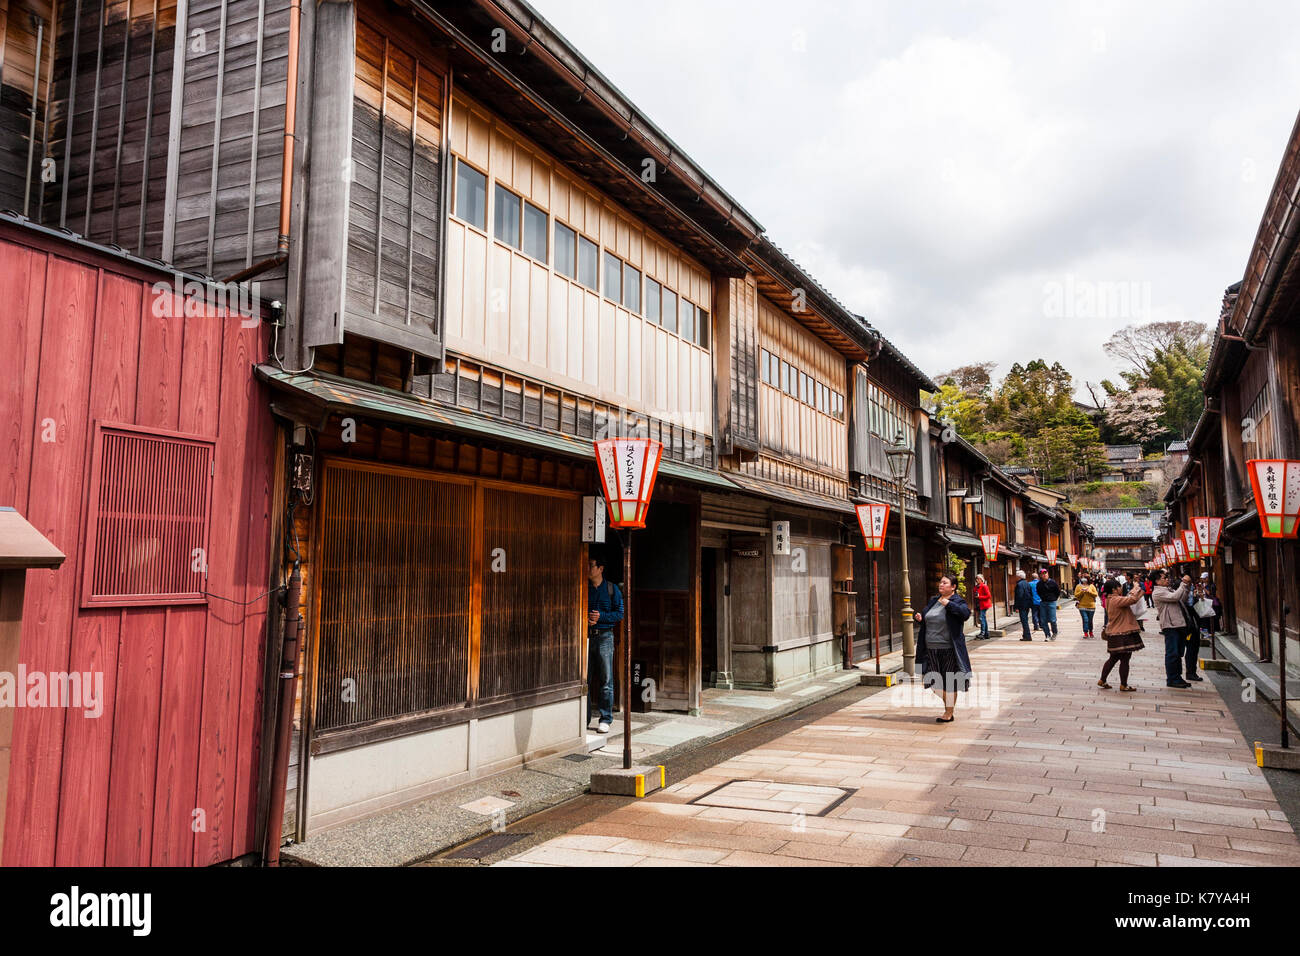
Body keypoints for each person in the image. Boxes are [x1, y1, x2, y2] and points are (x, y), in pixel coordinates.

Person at [912, 573, 973, 723]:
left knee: (949, 681)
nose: (941, 585)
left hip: (948, 649)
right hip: (930, 648)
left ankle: (948, 712)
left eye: (945, 583)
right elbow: (930, 619)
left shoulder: (957, 601)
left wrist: (949, 604)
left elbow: (965, 614)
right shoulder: (933, 600)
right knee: (932, 681)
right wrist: (921, 619)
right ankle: (949, 708)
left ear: (953, 587)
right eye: (941, 582)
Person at [587, 555, 624, 733]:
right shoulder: (583, 587)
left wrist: (601, 617)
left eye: (591, 565)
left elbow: (619, 614)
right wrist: (586, 618)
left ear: (600, 569)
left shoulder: (611, 588)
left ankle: (605, 718)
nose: (588, 568)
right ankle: (584, 718)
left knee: (606, 679)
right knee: (584, 679)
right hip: (586, 635)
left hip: (605, 636)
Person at [1098, 578, 1144, 691]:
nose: (1121, 589)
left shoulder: (1109, 599)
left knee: (1113, 658)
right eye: (1119, 587)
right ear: (1114, 589)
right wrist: (1136, 588)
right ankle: (1123, 684)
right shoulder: (1115, 599)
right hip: (1122, 633)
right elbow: (1132, 599)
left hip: (1115, 633)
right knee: (1124, 659)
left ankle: (1103, 680)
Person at [1152, 569, 1194, 689]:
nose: (1167, 579)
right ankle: (1172, 678)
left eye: (1166, 577)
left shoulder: (1168, 589)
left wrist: (1186, 587)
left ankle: (1178, 677)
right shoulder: (1158, 593)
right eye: (1164, 578)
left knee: (1179, 652)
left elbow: (1182, 599)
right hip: (1170, 626)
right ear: (1157, 581)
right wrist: (1183, 583)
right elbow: (1175, 597)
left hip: (1179, 624)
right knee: (1172, 653)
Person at [1036, 568, 1061, 640]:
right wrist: (1043, 597)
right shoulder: (1039, 584)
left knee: (1052, 619)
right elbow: (1038, 592)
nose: (1044, 575)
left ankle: (1055, 632)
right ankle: (1047, 635)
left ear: (1047, 574)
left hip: (1052, 602)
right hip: (1043, 602)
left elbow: (1057, 592)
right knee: (1043, 620)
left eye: (1045, 573)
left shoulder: (1053, 582)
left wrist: (1054, 598)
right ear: (1040, 575)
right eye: (1042, 574)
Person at [1074, 573, 1098, 638]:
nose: (1083, 579)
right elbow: (1076, 595)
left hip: (1091, 606)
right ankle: (1085, 632)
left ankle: (1091, 631)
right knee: (1085, 619)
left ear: (1088, 579)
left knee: (1090, 620)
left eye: (1085, 577)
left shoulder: (1091, 586)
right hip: (1082, 606)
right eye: (1082, 577)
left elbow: (1096, 594)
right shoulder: (1078, 586)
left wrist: (1089, 591)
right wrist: (1082, 591)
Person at [1013, 570, 1035, 641]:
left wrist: (1016, 606)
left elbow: (1019, 596)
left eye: (1016, 576)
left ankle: (1027, 636)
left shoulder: (1019, 585)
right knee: (1025, 620)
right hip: (1027, 604)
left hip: (1022, 605)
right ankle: (1025, 635)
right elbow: (1031, 594)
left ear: (1019, 577)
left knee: (1024, 621)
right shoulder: (1027, 583)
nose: (1015, 577)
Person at [974, 574, 992, 639]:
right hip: (979, 604)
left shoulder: (984, 586)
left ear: (982, 579)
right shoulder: (976, 587)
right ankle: (986, 634)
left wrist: (979, 597)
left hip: (984, 604)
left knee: (981, 618)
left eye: (978, 579)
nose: (977, 580)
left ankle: (982, 633)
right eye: (976, 578)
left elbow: (988, 596)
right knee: (983, 618)